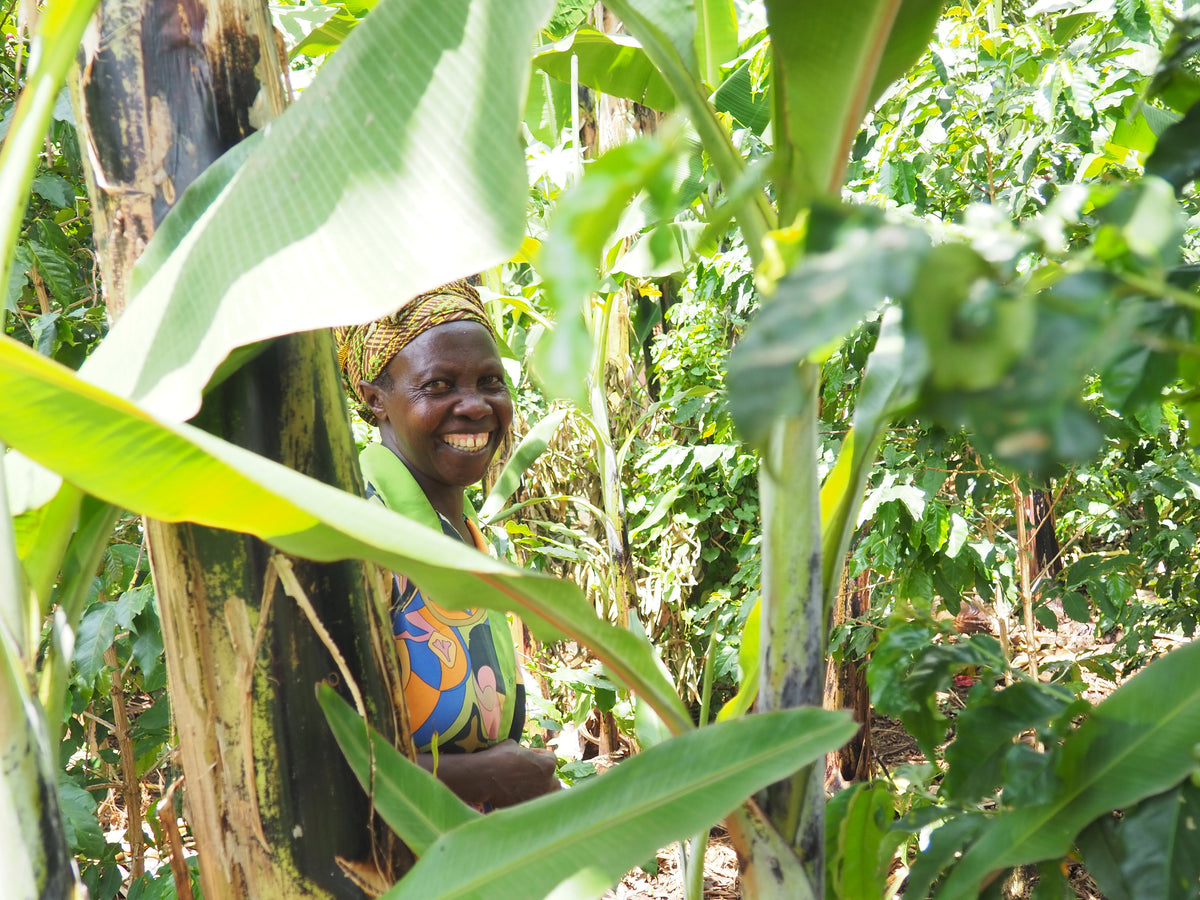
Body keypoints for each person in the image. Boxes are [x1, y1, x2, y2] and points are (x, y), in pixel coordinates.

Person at [334, 280, 559, 808]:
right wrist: (483, 778)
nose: (476, 406)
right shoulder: (360, 535)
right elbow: (323, 757)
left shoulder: (467, 534)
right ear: (375, 401)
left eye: (490, 381)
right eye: (438, 386)